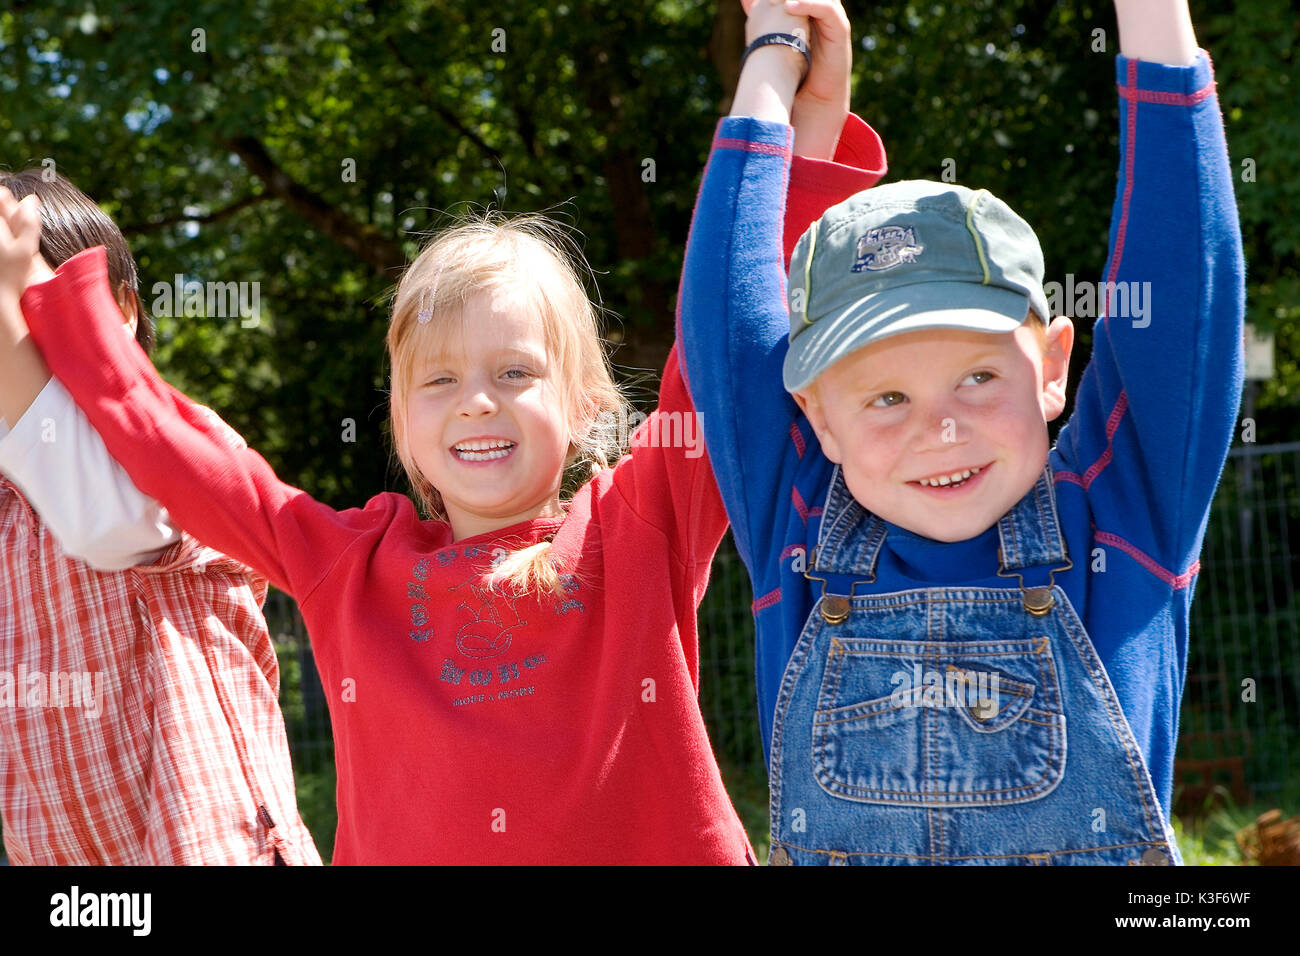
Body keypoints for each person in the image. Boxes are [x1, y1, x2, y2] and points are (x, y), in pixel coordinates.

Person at [6, 11, 885, 859]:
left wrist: (783, 89)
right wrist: (50, 312)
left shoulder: (641, 526)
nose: (475, 403)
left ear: (585, 403)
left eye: (514, 373)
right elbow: (173, 452)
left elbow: (730, 327)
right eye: (439, 380)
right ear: (400, 417)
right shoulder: (345, 563)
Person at [680, 0, 1244, 864]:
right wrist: (771, 56)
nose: (940, 427)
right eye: (885, 399)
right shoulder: (795, 533)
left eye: (980, 377)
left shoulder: (1125, 515)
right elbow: (728, 321)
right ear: (817, 418)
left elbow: (1181, 284)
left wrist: (1152, 12)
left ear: (1053, 366)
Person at [0, 170, 320, 865]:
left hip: (207, 844)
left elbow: (105, 521)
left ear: (116, 309)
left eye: (19, 305)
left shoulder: (178, 448)